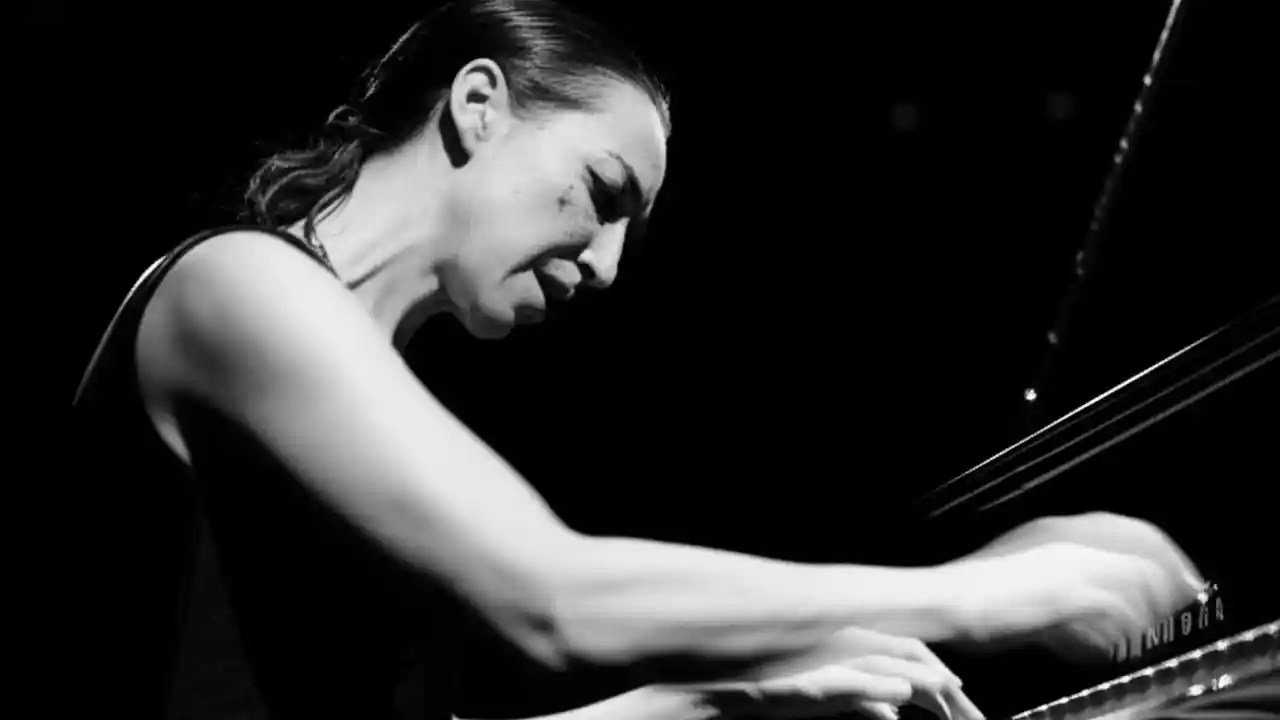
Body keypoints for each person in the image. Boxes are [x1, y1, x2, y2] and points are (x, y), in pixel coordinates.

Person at [65, 1, 1206, 718]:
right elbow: (552, 594)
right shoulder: (240, 284)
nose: (608, 265)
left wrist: (719, 703)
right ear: (477, 106)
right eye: (602, 195)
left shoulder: (368, 412)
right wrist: (1002, 590)